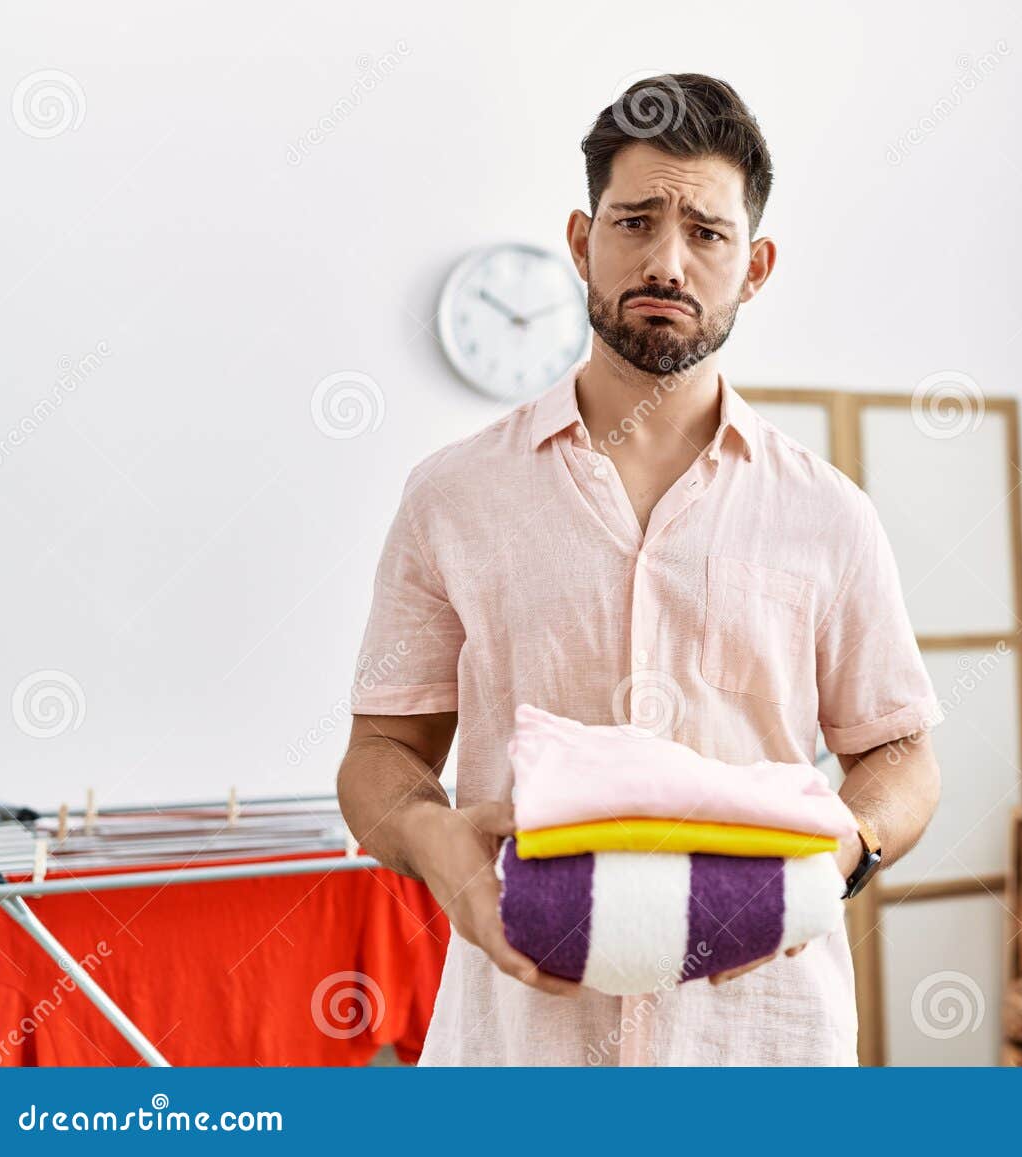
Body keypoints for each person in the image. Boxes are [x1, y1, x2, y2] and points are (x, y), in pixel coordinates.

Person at [336, 73, 941, 1065]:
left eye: (706, 232)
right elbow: (379, 753)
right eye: (635, 221)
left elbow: (903, 754)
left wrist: (841, 848)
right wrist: (431, 842)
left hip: (762, 1044)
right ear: (581, 239)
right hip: (516, 1045)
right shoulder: (452, 494)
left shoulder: (828, 513)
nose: (666, 259)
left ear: (754, 266)